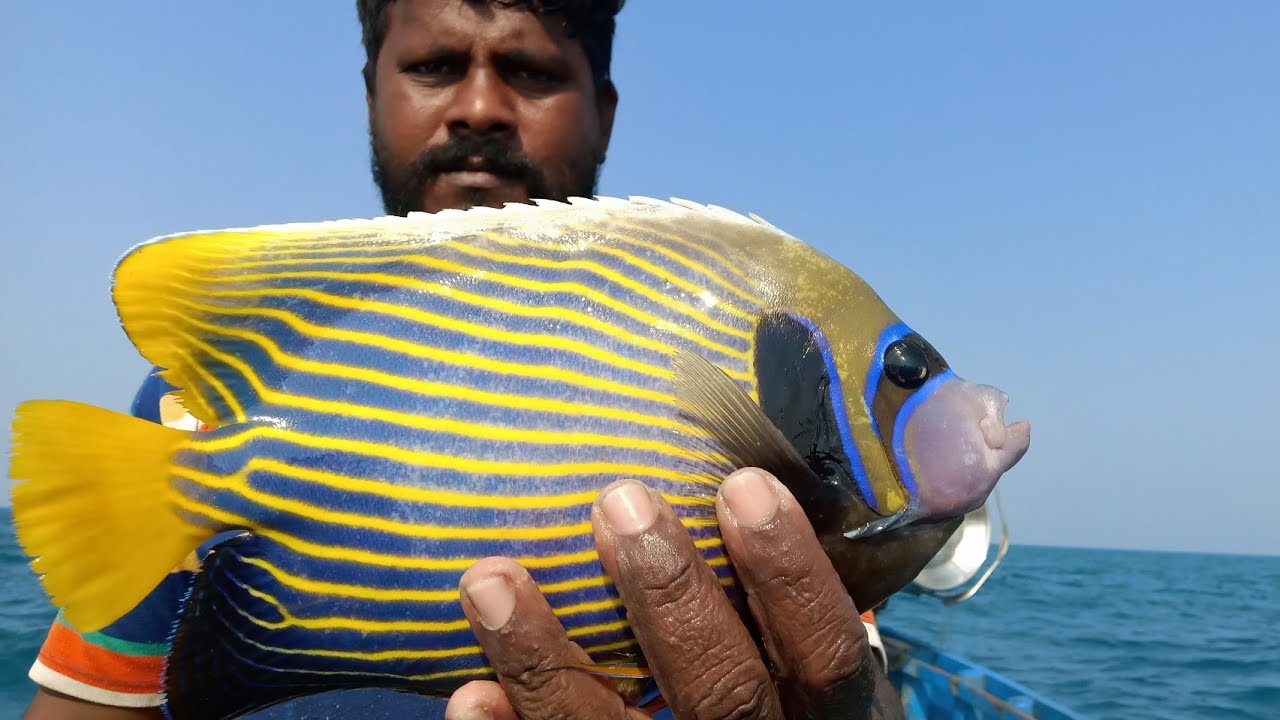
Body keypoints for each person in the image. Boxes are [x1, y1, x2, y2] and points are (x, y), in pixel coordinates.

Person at [23, 2, 901, 718]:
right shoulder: (195, 404)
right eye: (436, 64)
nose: (480, 105)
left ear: (604, 109)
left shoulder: (718, 362)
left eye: (532, 71)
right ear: (371, 91)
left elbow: (843, 661)